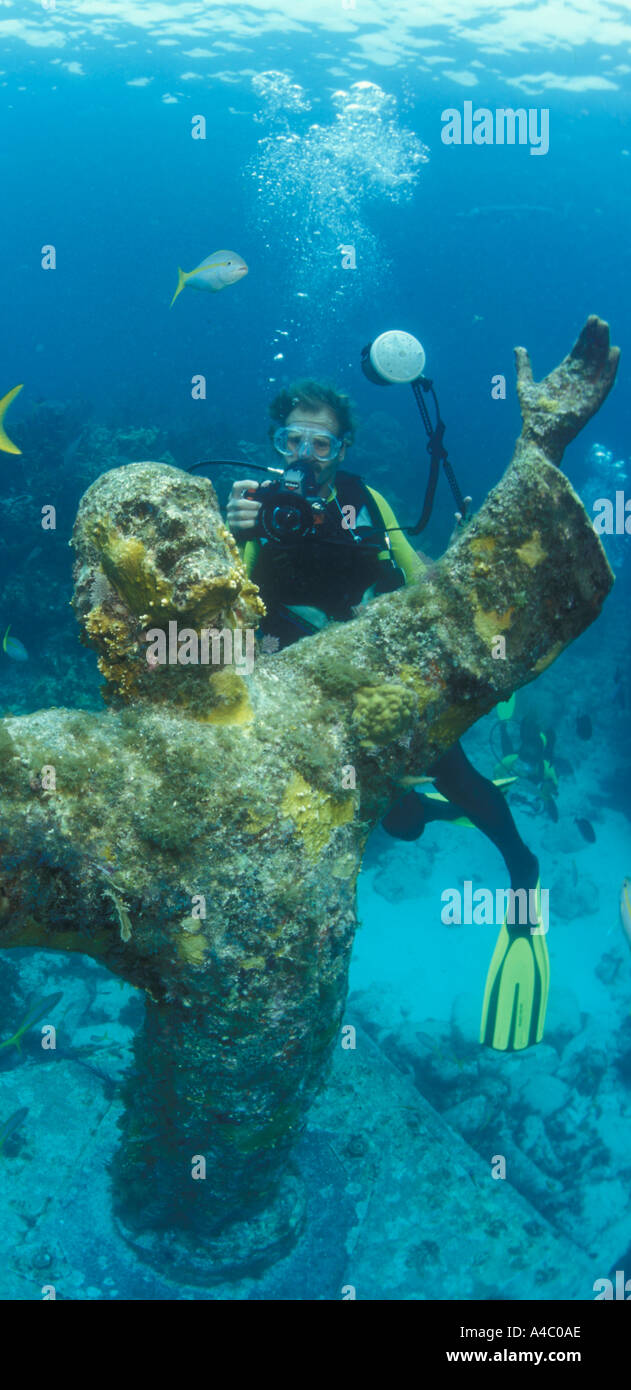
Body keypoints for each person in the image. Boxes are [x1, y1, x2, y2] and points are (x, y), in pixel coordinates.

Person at [224, 379, 547, 1051]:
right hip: (299, 684)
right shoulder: (254, 504)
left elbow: (417, 571)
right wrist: (228, 537)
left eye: (321, 441)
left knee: (453, 771)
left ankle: (521, 872)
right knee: (392, 821)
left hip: (379, 672)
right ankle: (418, 810)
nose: (305, 454)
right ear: (273, 445)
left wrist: (462, 565)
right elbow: (227, 604)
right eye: (291, 440)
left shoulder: (364, 499)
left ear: (343, 447)